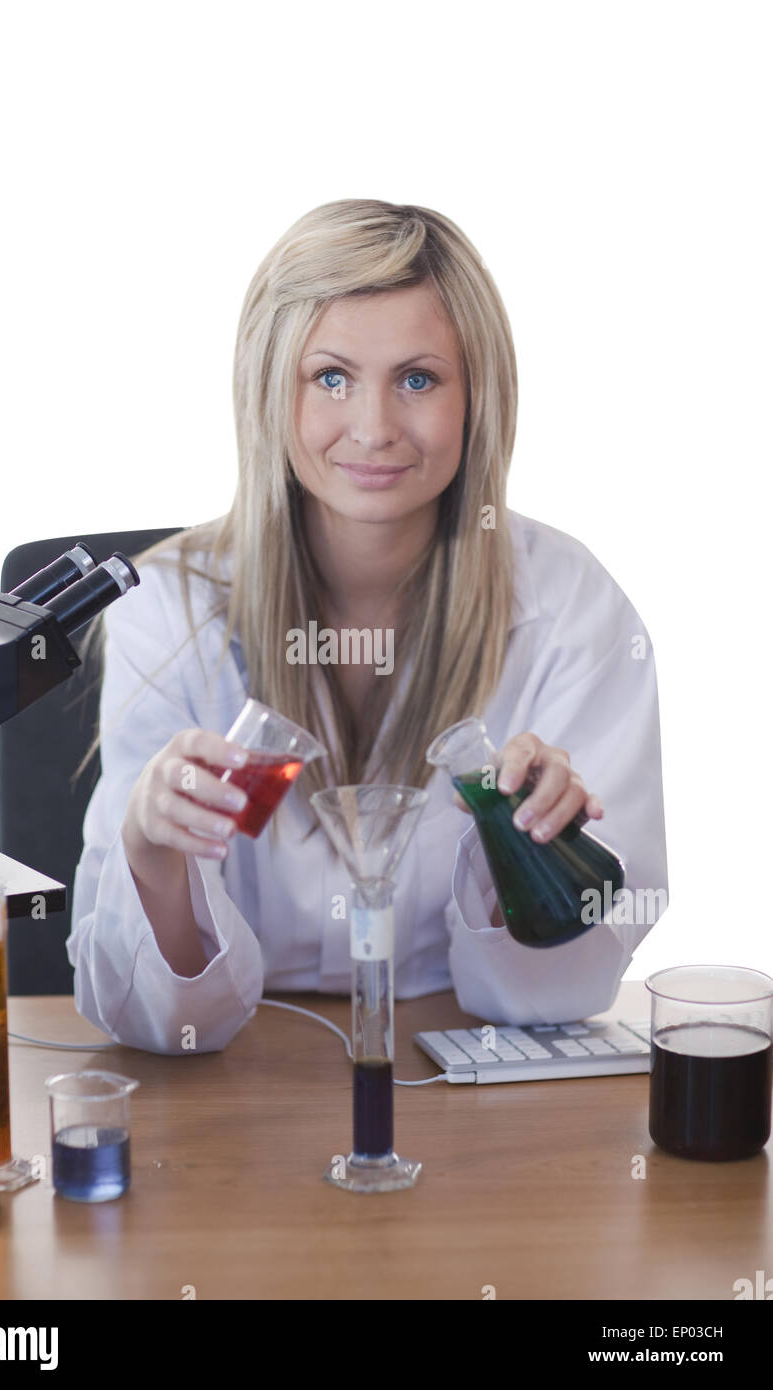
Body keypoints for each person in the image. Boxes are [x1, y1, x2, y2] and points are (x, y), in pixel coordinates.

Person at [67, 199, 668, 1055]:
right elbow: (155, 1021)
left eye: (418, 379)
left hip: (460, 1089)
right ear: (271, 389)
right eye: (332, 377)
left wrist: (531, 848)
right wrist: (152, 847)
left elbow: (558, 999)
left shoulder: (572, 610)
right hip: (234, 1098)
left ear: (477, 396)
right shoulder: (168, 611)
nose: (375, 428)